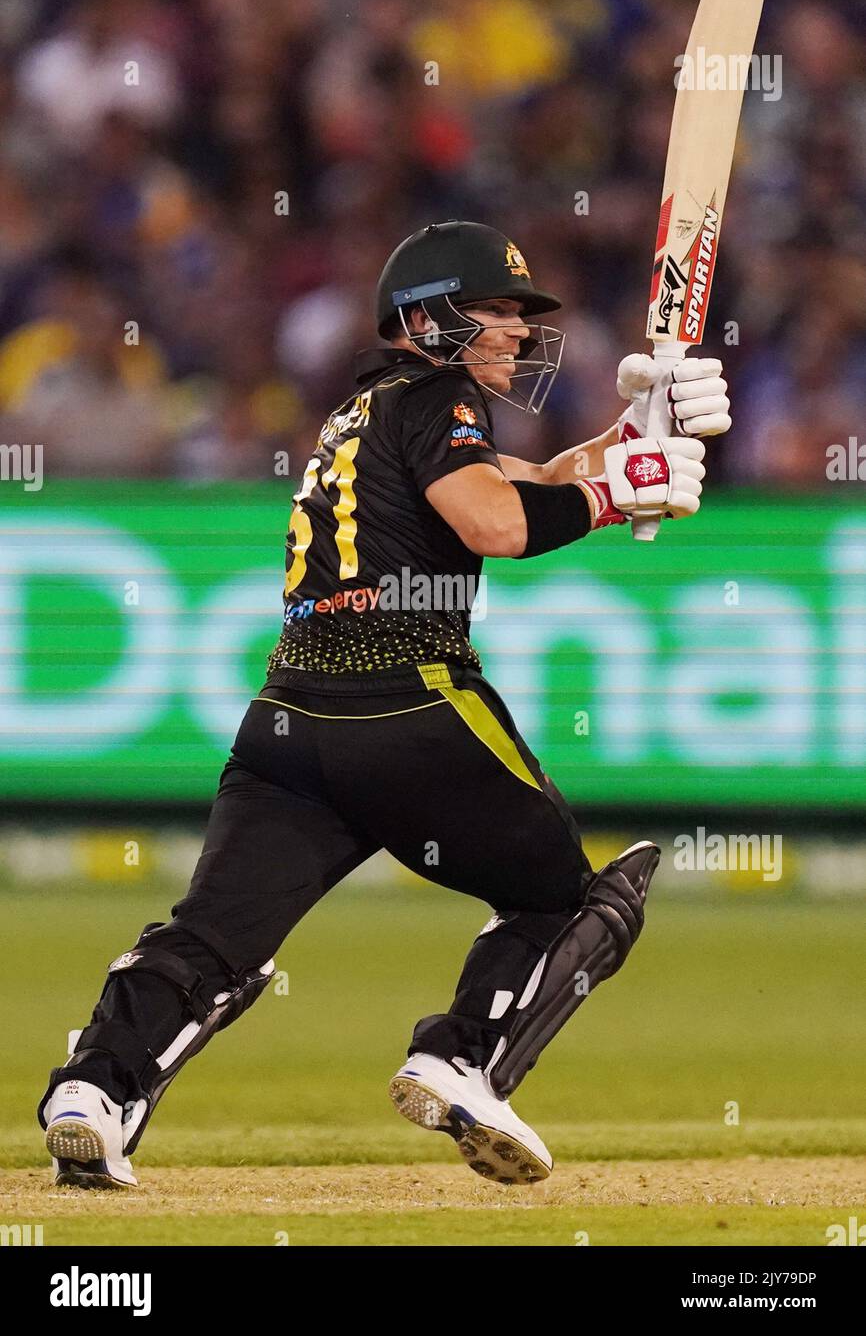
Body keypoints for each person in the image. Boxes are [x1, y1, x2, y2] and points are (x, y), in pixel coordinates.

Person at [38, 221, 731, 1188]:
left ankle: (94, 1092)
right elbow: (493, 521)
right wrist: (618, 496)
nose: (515, 334)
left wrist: (630, 440)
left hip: (290, 722)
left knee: (216, 939)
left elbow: (521, 482)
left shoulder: (365, 411)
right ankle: (460, 1060)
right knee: (569, 899)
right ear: (426, 318)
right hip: (412, 700)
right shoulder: (441, 398)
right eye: (493, 312)